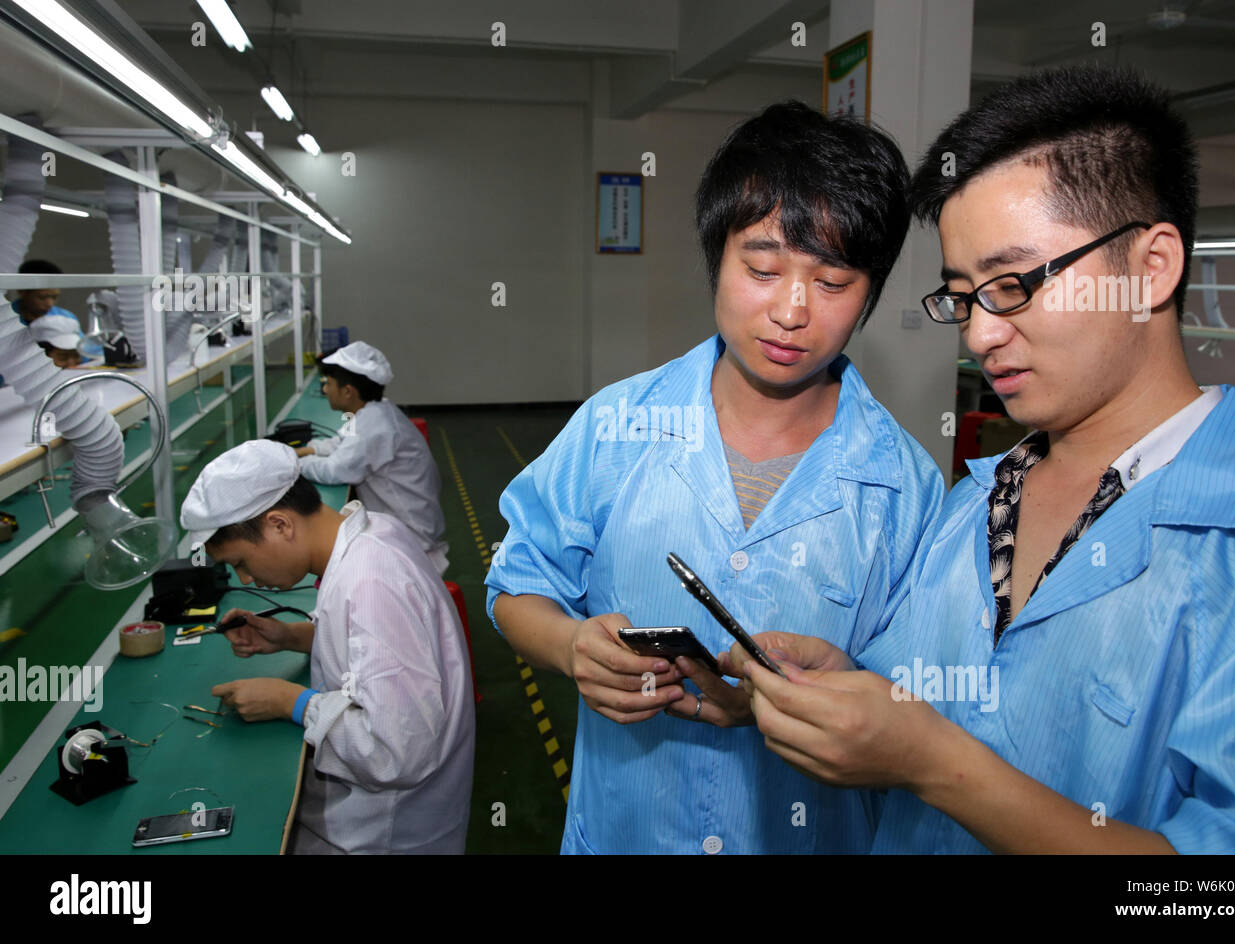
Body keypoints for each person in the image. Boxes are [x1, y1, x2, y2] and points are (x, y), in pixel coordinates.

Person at [733, 66, 1235, 853]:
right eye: (963, 296)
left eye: (1012, 284)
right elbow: (934, 697)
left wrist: (936, 767)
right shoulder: (978, 502)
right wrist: (844, 682)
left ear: (1152, 266)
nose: (979, 334)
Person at [486, 100, 945, 853]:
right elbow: (516, 584)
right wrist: (571, 648)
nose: (792, 311)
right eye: (763, 268)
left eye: (832, 282)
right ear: (717, 259)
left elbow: (921, 697)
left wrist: (827, 692)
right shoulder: (615, 426)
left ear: (872, 289)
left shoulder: (906, 489)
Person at [180, 439, 475, 854]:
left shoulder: (371, 581)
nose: (244, 580)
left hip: (384, 834)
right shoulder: (372, 532)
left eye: (241, 563)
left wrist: (291, 702)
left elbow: (394, 750)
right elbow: (370, 643)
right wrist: (286, 636)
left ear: (280, 524)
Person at [295, 341, 451, 576]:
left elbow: (335, 470)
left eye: (328, 383)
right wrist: (302, 451)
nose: (325, 390)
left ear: (348, 391)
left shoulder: (375, 426)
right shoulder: (375, 412)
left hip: (410, 545)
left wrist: (291, 464)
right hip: (406, 527)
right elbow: (339, 443)